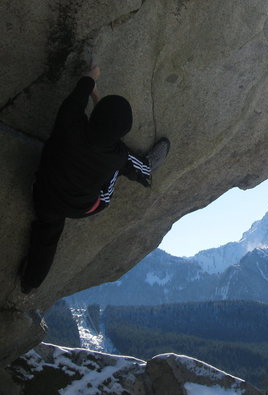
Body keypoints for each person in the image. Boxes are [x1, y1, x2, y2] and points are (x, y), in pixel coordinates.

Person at [19, 63, 169, 294]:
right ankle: (145, 168)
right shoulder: (116, 156)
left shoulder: (69, 123)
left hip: (45, 193)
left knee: (47, 234)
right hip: (83, 206)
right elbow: (112, 141)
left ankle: (32, 281)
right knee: (123, 164)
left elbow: (77, 98)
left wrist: (90, 80)